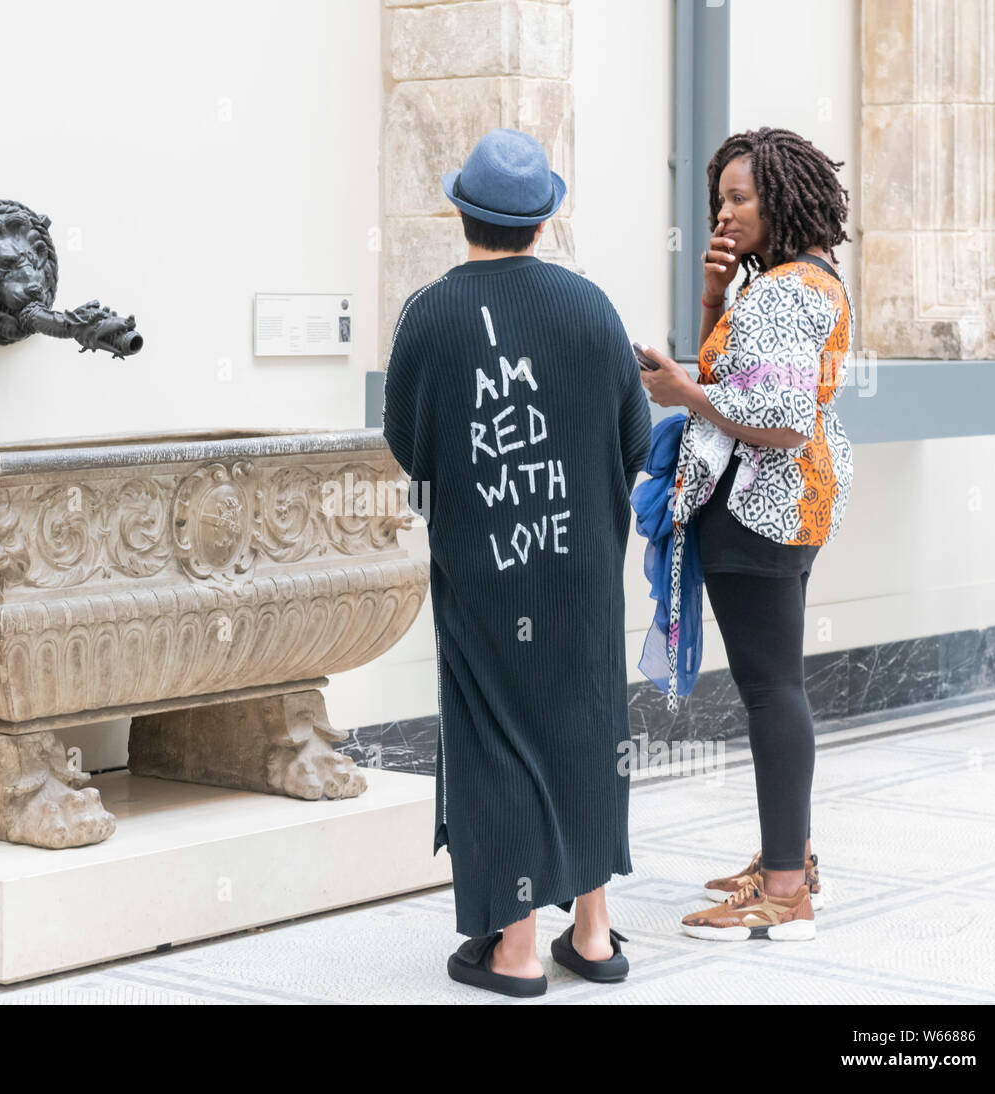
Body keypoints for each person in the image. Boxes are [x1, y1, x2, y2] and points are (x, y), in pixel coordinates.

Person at [382, 128, 652, 995]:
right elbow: (634, 442)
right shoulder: (592, 309)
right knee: (587, 729)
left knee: (495, 737)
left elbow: (409, 446)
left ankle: (516, 949)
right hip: (581, 571)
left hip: (484, 570)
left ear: (460, 210)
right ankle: (597, 936)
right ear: (544, 220)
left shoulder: (430, 315)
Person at [636, 127, 854, 942]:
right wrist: (714, 303)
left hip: (758, 507)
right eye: (719, 200)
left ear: (783, 200)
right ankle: (787, 858)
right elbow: (749, 378)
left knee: (771, 690)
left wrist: (681, 393)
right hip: (786, 504)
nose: (723, 215)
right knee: (778, 682)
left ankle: (787, 890)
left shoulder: (790, 290)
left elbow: (781, 419)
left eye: (740, 199)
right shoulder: (800, 280)